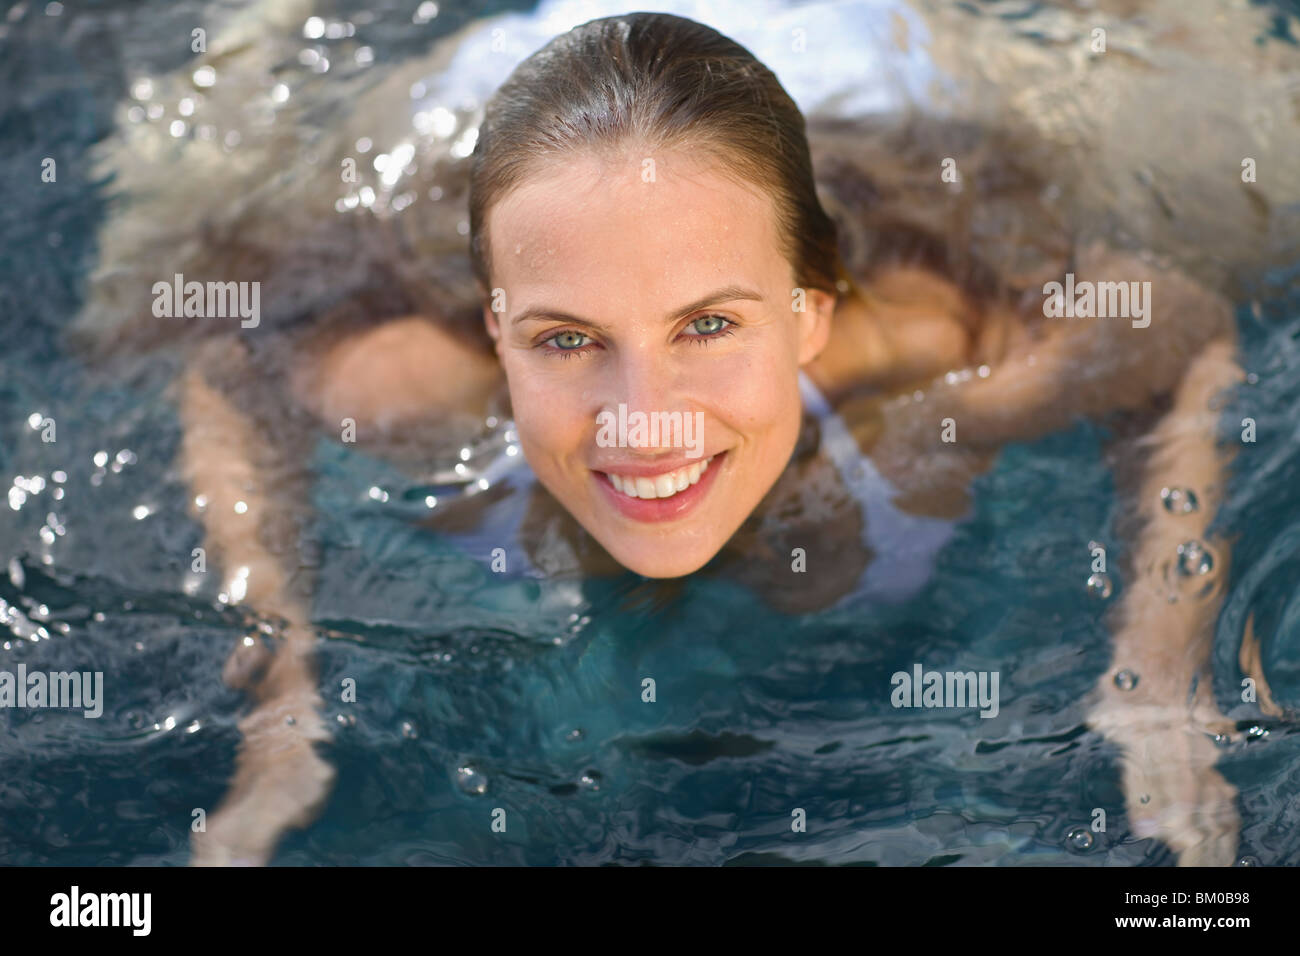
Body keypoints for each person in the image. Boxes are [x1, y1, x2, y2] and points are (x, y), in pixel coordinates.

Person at [69, 9, 1259, 866]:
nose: (643, 417)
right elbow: (222, 359)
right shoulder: (407, 386)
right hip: (497, 116)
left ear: (811, 318)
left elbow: (1183, 328)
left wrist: (1154, 669)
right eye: (567, 340)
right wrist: (280, 676)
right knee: (149, 274)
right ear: (495, 332)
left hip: (857, 72)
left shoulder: (937, 361)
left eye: (707, 326)